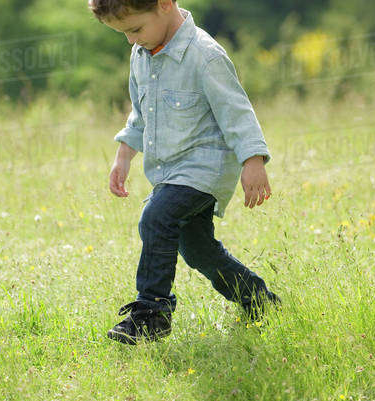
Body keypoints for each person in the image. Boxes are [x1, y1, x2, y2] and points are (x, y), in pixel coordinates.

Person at [88, 0, 282, 345]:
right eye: (124, 33)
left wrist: (253, 159)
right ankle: (260, 301)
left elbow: (236, 111)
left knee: (155, 216)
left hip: (205, 168)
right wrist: (124, 154)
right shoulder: (142, 56)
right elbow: (140, 112)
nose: (131, 41)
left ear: (164, 4)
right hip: (170, 171)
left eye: (135, 29)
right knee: (198, 250)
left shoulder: (205, 56)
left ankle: (151, 314)